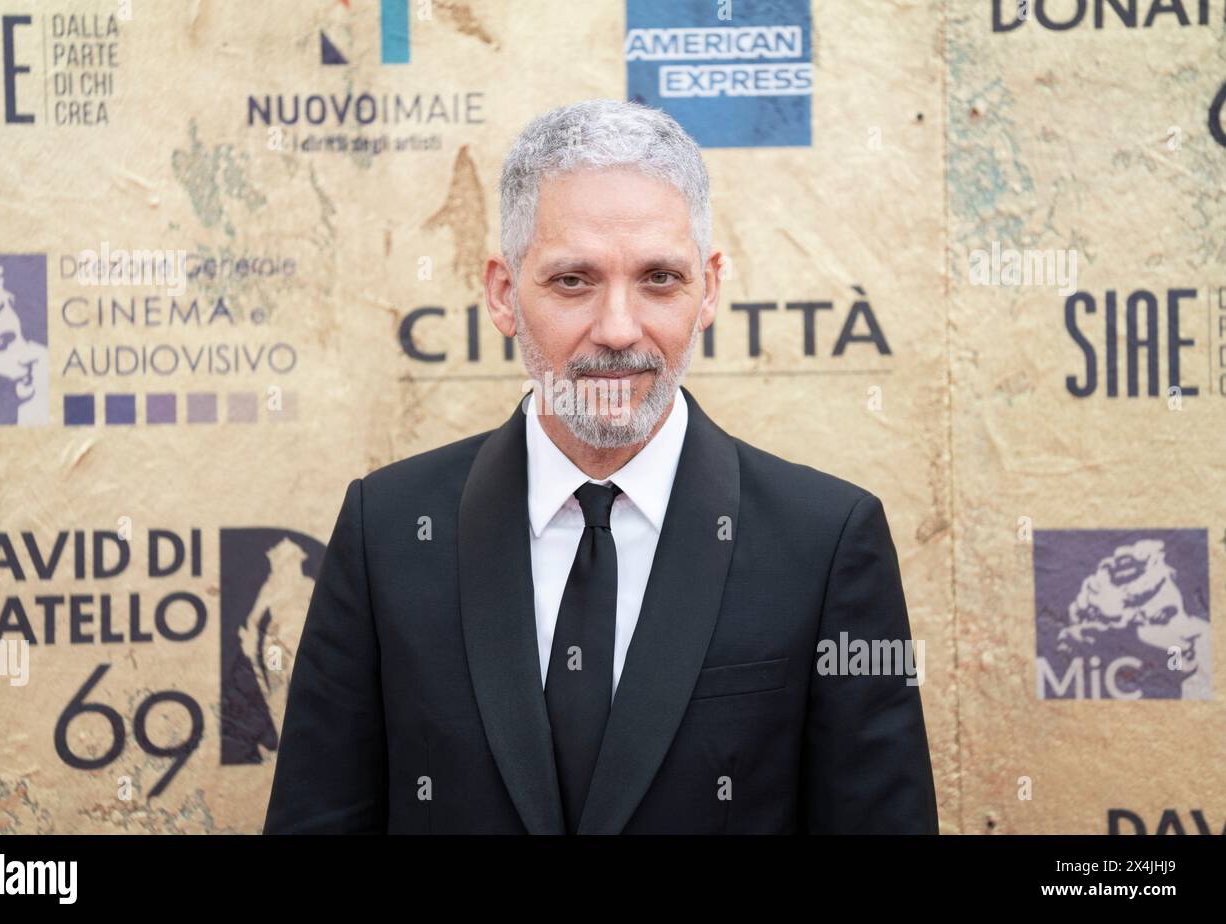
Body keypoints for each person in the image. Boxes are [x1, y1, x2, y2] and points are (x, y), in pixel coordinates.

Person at [263, 98, 939, 834]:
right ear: (502, 292)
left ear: (708, 289)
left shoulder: (829, 542)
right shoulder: (387, 532)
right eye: (573, 281)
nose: (618, 330)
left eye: (659, 279)